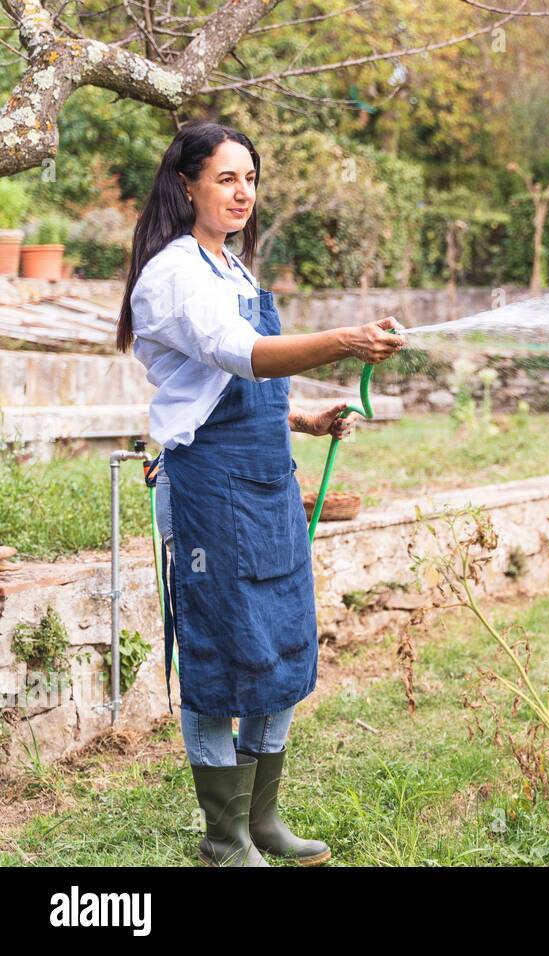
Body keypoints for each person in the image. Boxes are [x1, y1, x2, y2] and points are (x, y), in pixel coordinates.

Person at [117, 122, 405, 866]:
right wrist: (343, 340)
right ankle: (224, 836)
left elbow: (247, 384)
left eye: (250, 178)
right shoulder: (175, 274)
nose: (242, 192)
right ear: (187, 185)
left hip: (267, 487)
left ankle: (263, 821)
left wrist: (303, 415)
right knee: (219, 658)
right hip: (209, 489)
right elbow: (236, 356)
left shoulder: (234, 272)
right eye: (225, 178)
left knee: (277, 643)